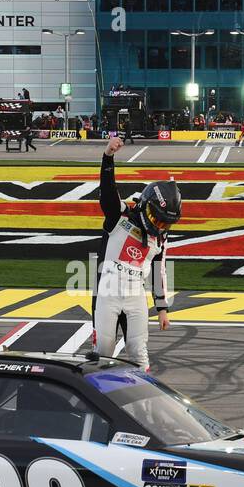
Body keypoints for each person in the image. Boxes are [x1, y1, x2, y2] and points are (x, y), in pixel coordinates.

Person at [92, 138, 179, 371]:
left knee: (139, 353)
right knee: (103, 350)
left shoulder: (161, 236)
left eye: (166, 222)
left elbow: (160, 271)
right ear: (148, 205)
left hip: (136, 295)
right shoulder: (120, 215)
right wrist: (108, 156)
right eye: (158, 219)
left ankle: (143, 404)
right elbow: (108, 194)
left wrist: (162, 308)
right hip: (106, 292)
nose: (160, 225)